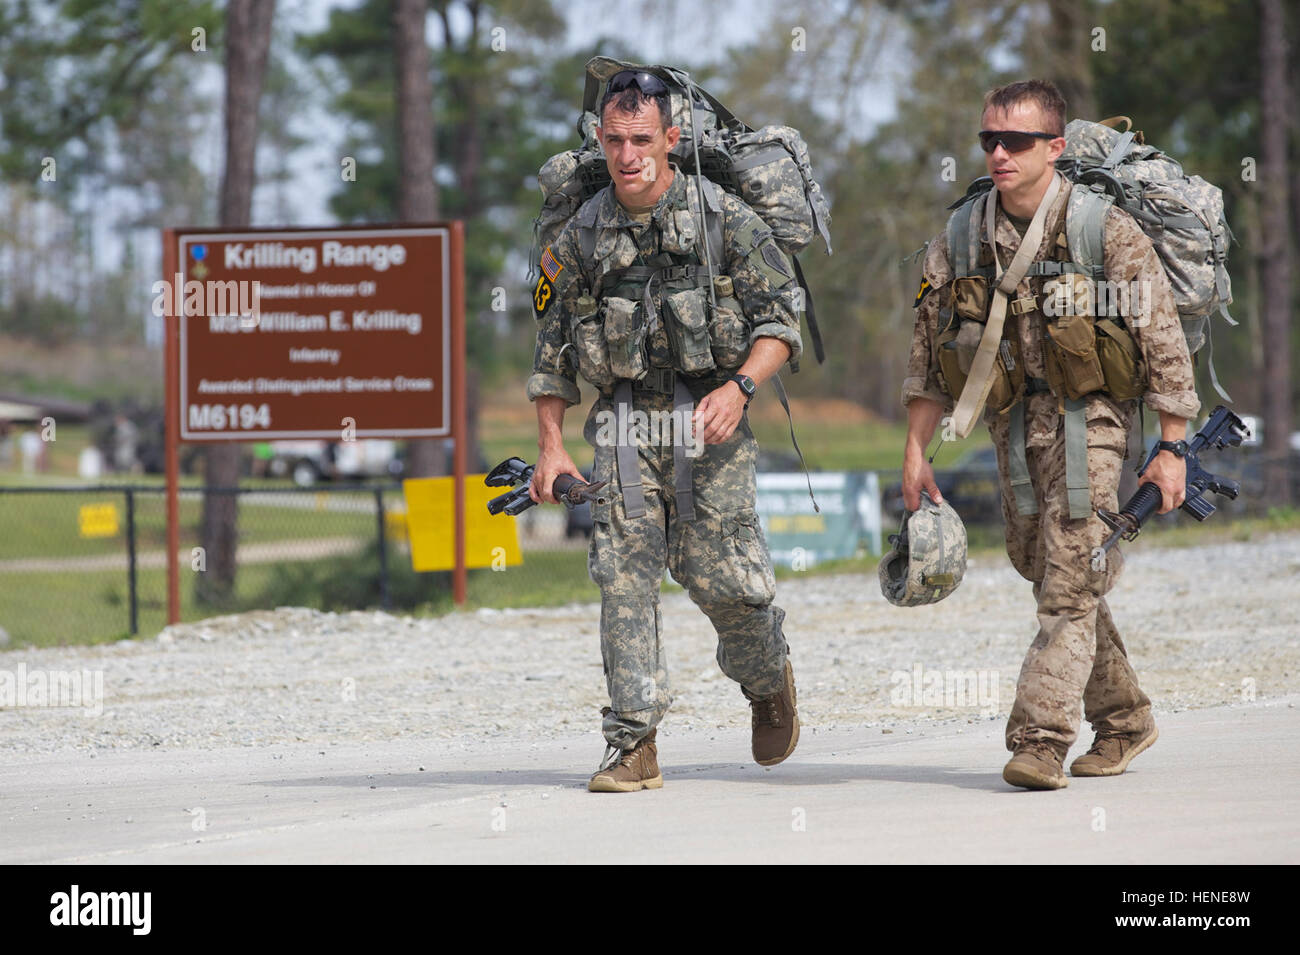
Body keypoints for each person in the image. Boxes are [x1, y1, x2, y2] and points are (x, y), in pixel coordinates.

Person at [901, 80, 1199, 790]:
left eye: (1017, 141)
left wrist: (1172, 446)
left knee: (1067, 585)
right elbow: (927, 352)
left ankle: (1038, 739)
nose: (999, 153)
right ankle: (1125, 718)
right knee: (1050, 568)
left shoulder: (1103, 230)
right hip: (1009, 428)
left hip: (1090, 424)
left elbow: (1162, 342)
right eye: (989, 141)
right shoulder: (962, 236)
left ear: (1055, 148)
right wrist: (915, 449)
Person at [526, 69, 803, 792]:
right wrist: (551, 447)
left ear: (672, 140)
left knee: (726, 584)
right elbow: (552, 354)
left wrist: (741, 387)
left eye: (642, 139)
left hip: (711, 418)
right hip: (622, 423)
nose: (628, 155)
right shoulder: (581, 233)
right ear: (600, 140)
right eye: (615, 140)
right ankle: (633, 741)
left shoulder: (723, 220)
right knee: (623, 575)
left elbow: (781, 321)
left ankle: (766, 674)